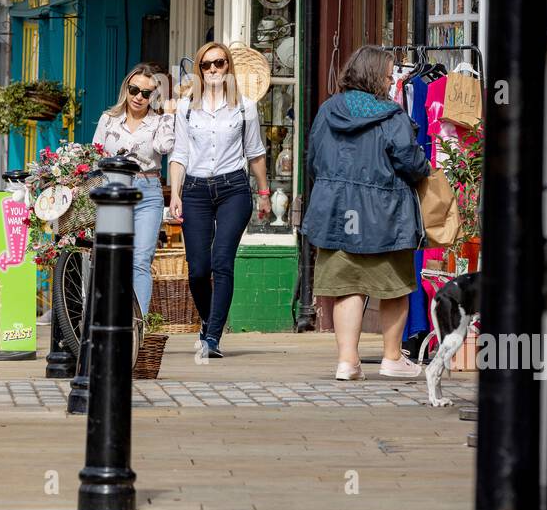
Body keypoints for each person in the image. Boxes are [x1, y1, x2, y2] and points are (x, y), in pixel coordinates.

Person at [302, 44, 430, 381]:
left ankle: (347, 362)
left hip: (336, 212)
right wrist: (423, 166)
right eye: (388, 77)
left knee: (347, 286)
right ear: (375, 77)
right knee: (394, 286)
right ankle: (391, 359)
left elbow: (312, 160)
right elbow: (410, 162)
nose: (391, 84)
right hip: (385, 215)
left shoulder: (329, 110)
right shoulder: (392, 115)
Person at [169, 42, 271, 359]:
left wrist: (264, 192)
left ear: (229, 66)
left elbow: (255, 153)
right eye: (207, 65)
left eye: (220, 63)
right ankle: (208, 321)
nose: (213, 69)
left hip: (233, 189)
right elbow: (179, 154)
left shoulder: (245, 106)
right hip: (195, 190)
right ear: (199, 69)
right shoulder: (186, 107)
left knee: (222, 262)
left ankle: (212, 337)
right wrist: (175, 193)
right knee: (198, 269)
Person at [92, 63, 176, 316]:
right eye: (134, 89)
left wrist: (169, 115)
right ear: (126, 89)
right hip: (112, 190)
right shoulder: (109, 119)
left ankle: (137, 325)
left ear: (154, 97)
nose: (139, 97)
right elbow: (94, 154)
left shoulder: (159, 121)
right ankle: (108, 318)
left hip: (147, 191)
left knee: (140, 260)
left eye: (147, 93)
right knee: (112, 259)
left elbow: (165, 146)